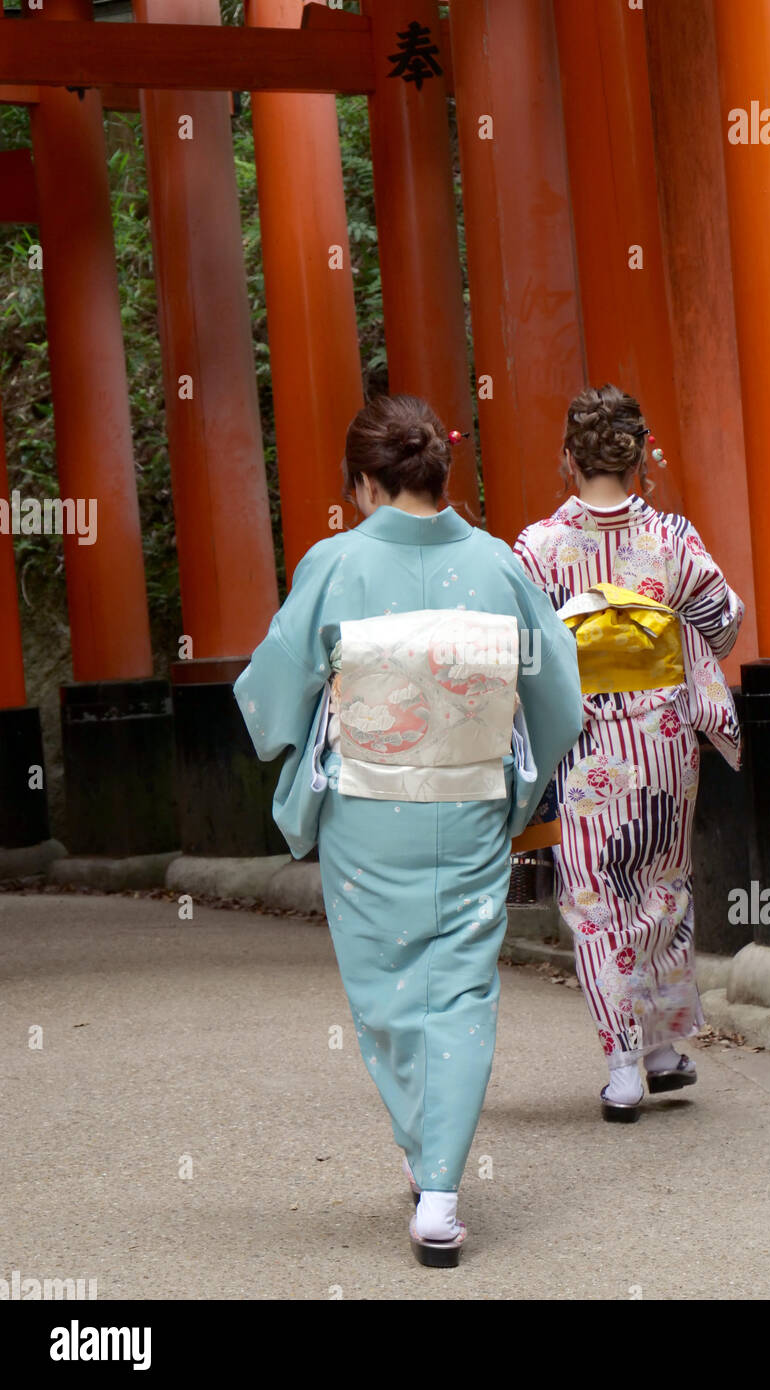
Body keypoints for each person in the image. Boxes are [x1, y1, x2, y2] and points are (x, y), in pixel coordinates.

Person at [234, 394, 582, 1264]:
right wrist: (515, 783)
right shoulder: (500, 567)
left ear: (364, 480)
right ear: (439, 471)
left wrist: (288, 725)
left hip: (367, 807)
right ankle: (440, 1187)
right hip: (465, 802)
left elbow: (275, 689)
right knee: (461, 985)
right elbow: (559, 698)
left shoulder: (334, 564)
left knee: (387, 989)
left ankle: (425, 1160)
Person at [514, 384, 744, 1121]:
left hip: (583, 742)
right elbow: (723, 623)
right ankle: (664, 1047)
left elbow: (521, 652)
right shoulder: (673, 539)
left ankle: (621, 1063)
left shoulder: (539, 548)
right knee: (662, 886)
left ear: (566, 459)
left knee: (593, 897)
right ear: (639, 455)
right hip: (664, 740)